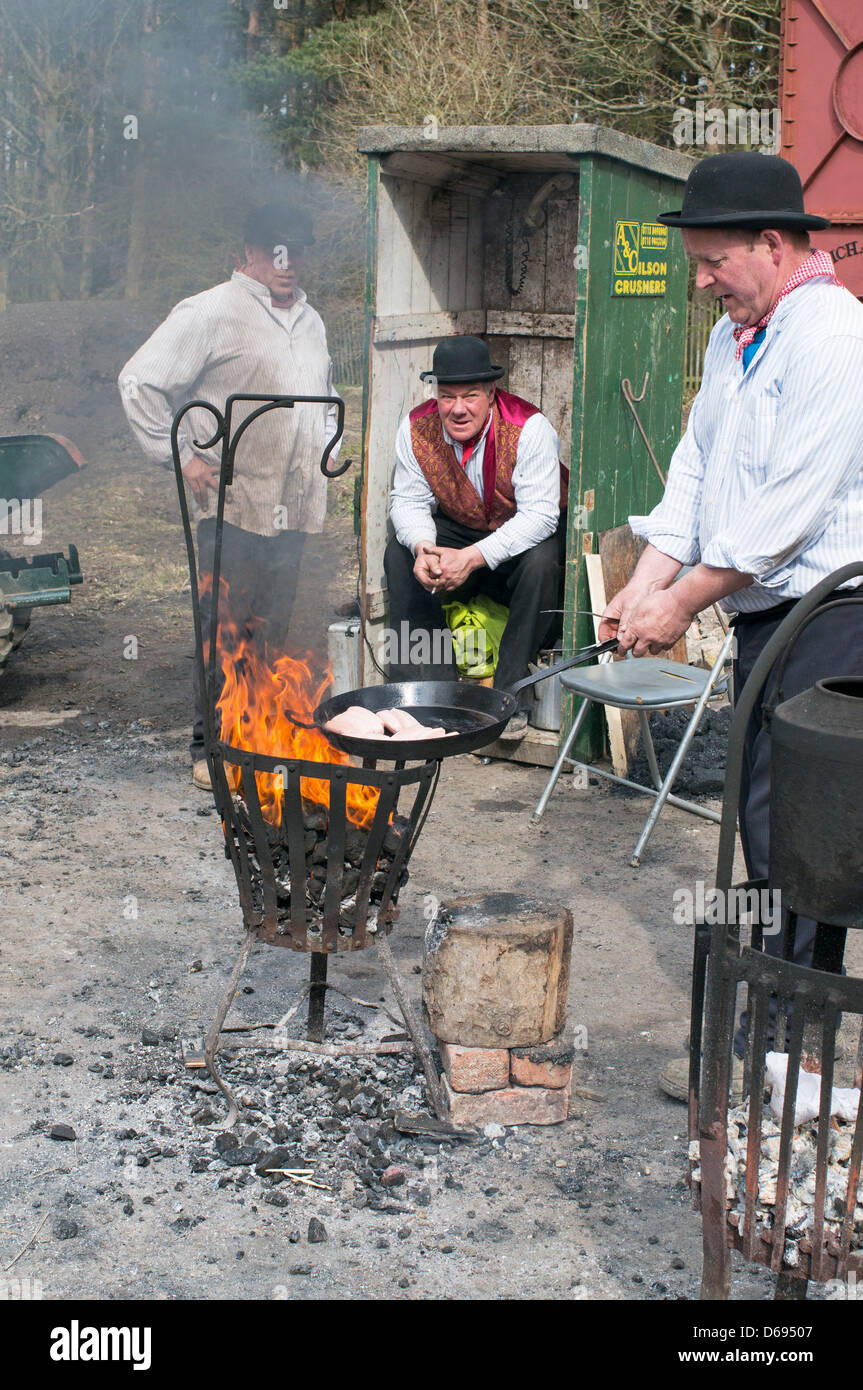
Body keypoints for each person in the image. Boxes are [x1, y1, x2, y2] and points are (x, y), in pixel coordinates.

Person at [595, 153, 863, 1100]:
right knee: (762, 823)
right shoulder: (733, 339)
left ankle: (792, 1049)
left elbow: (786, 509)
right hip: (764, 612)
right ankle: (776, 1036)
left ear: (775, 243)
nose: (701, 280)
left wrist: (680, 602)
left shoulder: (830, 336)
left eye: (713, 261)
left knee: (803, 828)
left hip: (833, 614)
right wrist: (647, 580)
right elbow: (697, 473)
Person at [118, 202, 339, 788]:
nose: (288, 264)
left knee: (273, 626)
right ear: (248, 254)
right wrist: (183, 456)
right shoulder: (212, 310)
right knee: (226, 627)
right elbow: (139, 381)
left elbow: (322, 390)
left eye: (297, 250)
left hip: (294, 502)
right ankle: (208, 748)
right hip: (235, 501)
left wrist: (328, 448)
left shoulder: (311, 321)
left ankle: (257, 738)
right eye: (275, 251)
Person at [385, 336, 567, 738]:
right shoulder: (416, 428)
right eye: (447, 396)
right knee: (398, 552)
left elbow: (539, 516)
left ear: (490, 394)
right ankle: (432, 691)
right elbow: (407, 499)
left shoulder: (530, 427)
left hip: (518, 533)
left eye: (470, 395)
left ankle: (509, 696)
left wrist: (472, 557)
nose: (458, 408)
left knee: (543, 559)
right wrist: (423, 547)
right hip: (460, 527)